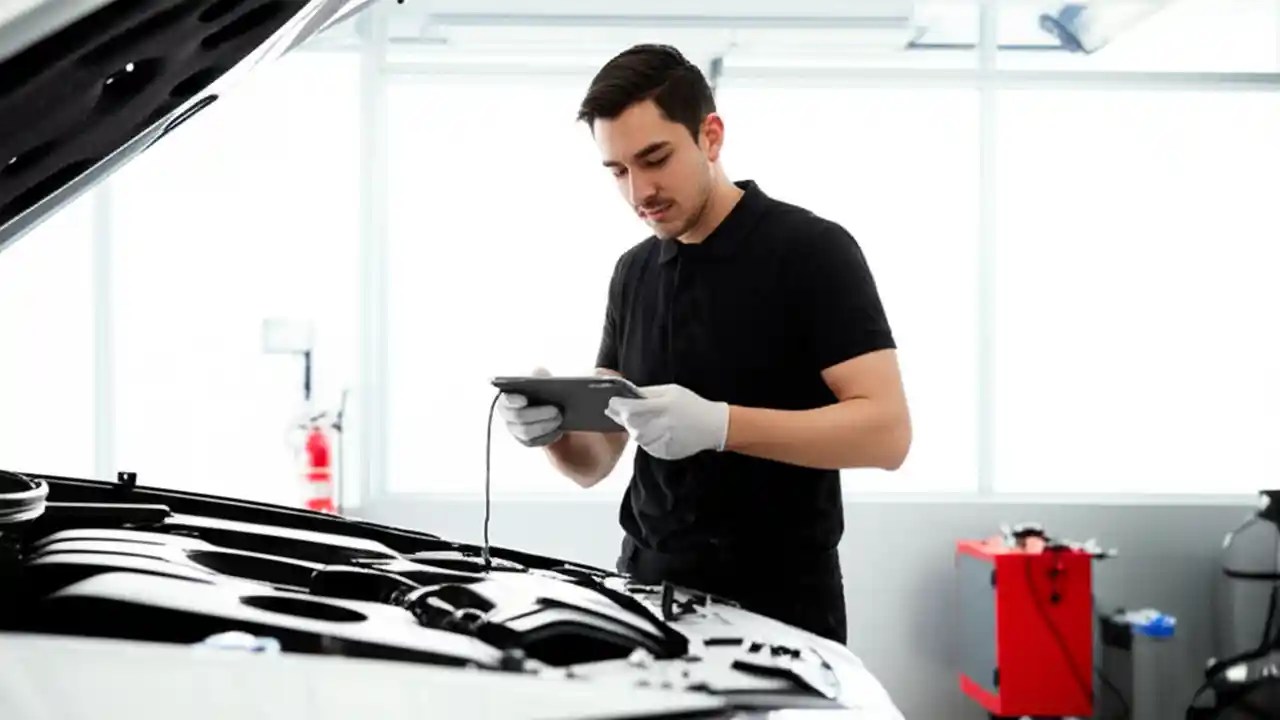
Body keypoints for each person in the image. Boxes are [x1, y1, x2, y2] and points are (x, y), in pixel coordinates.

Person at [498, 44, 911, 644]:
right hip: (645, 595)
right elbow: (598, 461)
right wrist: (553, 430)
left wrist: (721, 425)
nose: (639, 191)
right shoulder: (632, 272)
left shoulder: (812, 252)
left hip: (781, 607)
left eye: (655, 158)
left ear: (710, 137)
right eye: (617, 171)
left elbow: (888, 434)